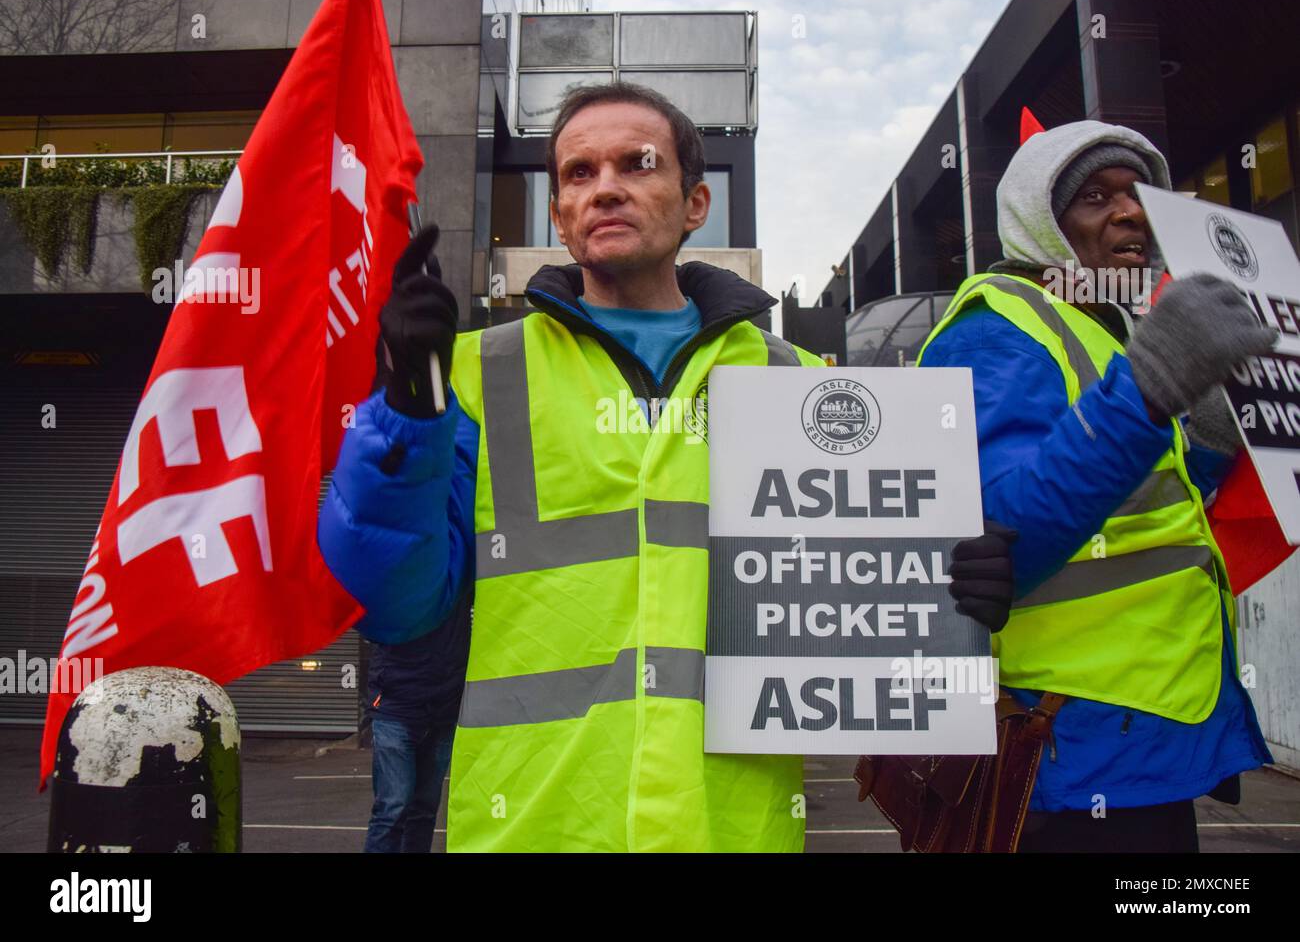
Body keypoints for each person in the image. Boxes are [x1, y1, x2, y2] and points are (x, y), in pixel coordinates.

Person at [320, 81, 1016, 852]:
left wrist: (950, 592)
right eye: (578, 174)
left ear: (695, 205)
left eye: (637, 164)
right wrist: (404, 419)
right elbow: (395, 602)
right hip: (537, 828)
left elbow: (868, 618)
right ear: (559, 215)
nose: (605, 186)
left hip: (730, 831)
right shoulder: (475, 375)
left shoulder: (796, 384)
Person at [918, 119, 1277, 852]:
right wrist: (1152, 387)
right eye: (1094, 197)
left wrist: (1207, 436)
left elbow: (1142, 498)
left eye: (1139, 192)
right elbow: (996, 536)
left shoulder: (1106, 328)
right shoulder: (994, 333)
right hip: (1067, 745)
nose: (1130, 211)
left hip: (1142, 729)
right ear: (1039, 224)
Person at [361, 592, 470, 853]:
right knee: (393, 809)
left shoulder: (460, 564)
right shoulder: (397, 569)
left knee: (423, 810)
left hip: (442, 708)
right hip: (397, 707)